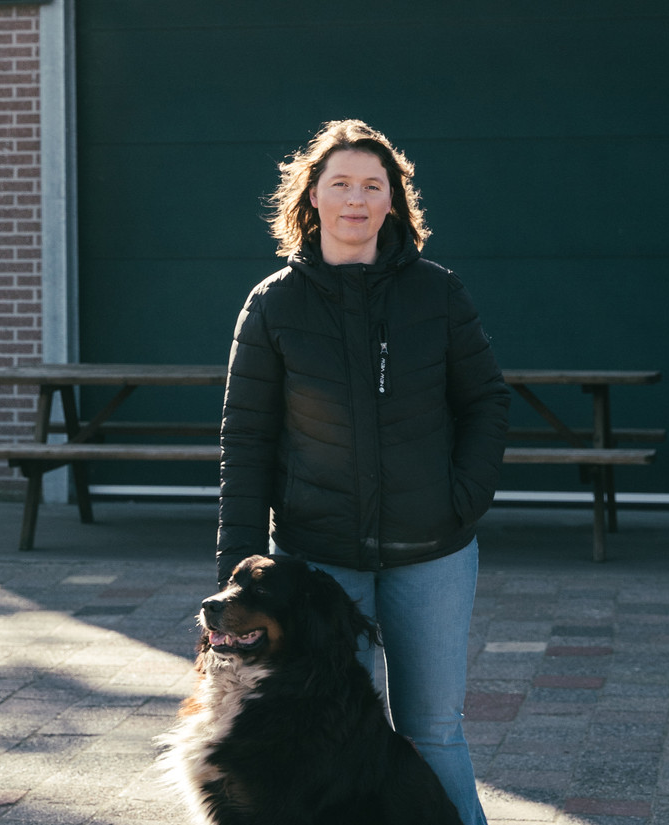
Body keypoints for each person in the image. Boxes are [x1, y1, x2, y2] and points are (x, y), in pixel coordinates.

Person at [217, 119, 511, 825]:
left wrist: (459, 500)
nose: (356, 199)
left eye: (372, 186)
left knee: (432, 730)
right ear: (311, 197)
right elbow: (246, 441)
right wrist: (234, 575)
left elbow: (486, 402)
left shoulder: (437, 293)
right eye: (340, 183)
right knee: (324, 733)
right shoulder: (273, 303)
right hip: (319, 563)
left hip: (432, 555)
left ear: (392, 202)